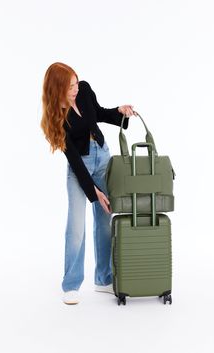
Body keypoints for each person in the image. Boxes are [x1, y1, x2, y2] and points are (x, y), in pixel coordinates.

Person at [40, 62, 137, 305]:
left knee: (105, 220)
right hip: (79, 167)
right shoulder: (55, 119)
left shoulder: (84, 90)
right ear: (57, 88)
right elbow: (74, 160)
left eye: (75, 82)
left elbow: (100, 113)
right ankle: (71, 284)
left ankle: (103, 279)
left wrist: (119, 111)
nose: (76, 88)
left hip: (102, 157)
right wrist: (95, 192)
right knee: (76, 226)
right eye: (70, 86)